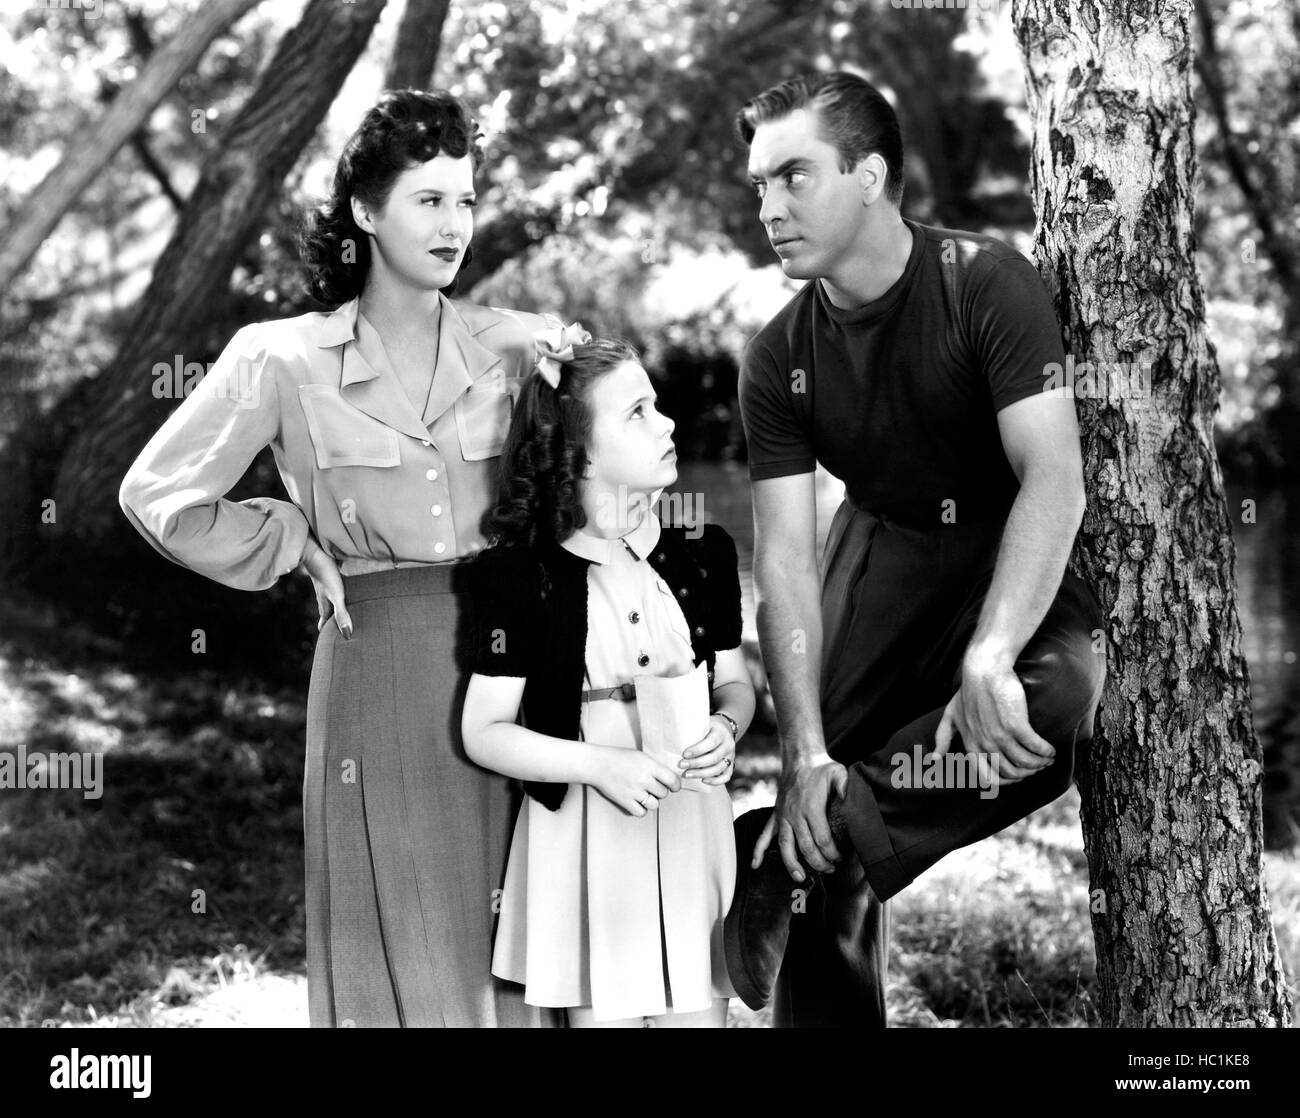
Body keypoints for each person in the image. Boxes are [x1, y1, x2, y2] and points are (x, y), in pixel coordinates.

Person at [119, 89, 565, 1027]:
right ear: (365, 211)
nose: (456, 226)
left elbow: (609, 468)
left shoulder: (517, 346)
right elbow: (157, 493)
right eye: (429, 201)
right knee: (398, 938)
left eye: (467, 200)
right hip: (378, 676)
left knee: (519, 955)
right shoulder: (278, 358)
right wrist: (286, 541)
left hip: (513, 668)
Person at [726, 71, 1106, 1027]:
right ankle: (810, 853)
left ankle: (799, 849)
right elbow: (782, 563)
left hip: (1006, 546)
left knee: (1054, 693)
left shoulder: (984, 283)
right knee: (818, 800)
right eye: (759, 184)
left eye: (794, 177)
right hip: (878, 556)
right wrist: (805, 749)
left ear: (870, 176)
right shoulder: (776, 360)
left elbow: (1055, 479)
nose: (768, 208)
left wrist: (989, 652)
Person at [461, 330, 755, 1027]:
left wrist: (727, 724)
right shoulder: (523, 577)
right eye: (638, 413)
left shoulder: (702, 554)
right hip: (589, 837)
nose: (669, 423)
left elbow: (736, 684)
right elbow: (484, 732)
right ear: (581, 451)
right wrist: (602, 766)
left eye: (656, 406)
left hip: (691, 822)